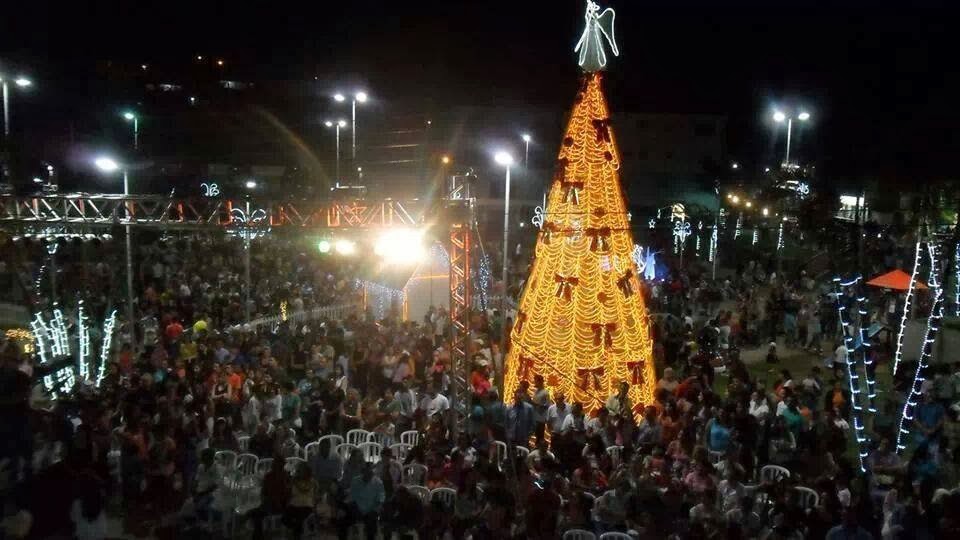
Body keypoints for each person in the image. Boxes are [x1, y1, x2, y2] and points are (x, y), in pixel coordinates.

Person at [338, 462, 385, 540]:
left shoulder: (378, 483)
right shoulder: (355, 481)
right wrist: (343, 508)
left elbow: (381, 499)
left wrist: (376, 509)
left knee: (371, 521)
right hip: (356, 509)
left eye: (371, 472)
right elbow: (351, 497)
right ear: (363, 472)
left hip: (371, 510)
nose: (369, 474)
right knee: (342, 519)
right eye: (367, 471)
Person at [531, 374, 550, 442]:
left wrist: (537, 405)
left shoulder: (545, 393)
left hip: (541, 418)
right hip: (535, 417)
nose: (535, 383)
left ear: (540, 382)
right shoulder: (536, 391)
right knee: (535, 435)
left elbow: (548, 405)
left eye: (536, 381)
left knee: (539, 437)